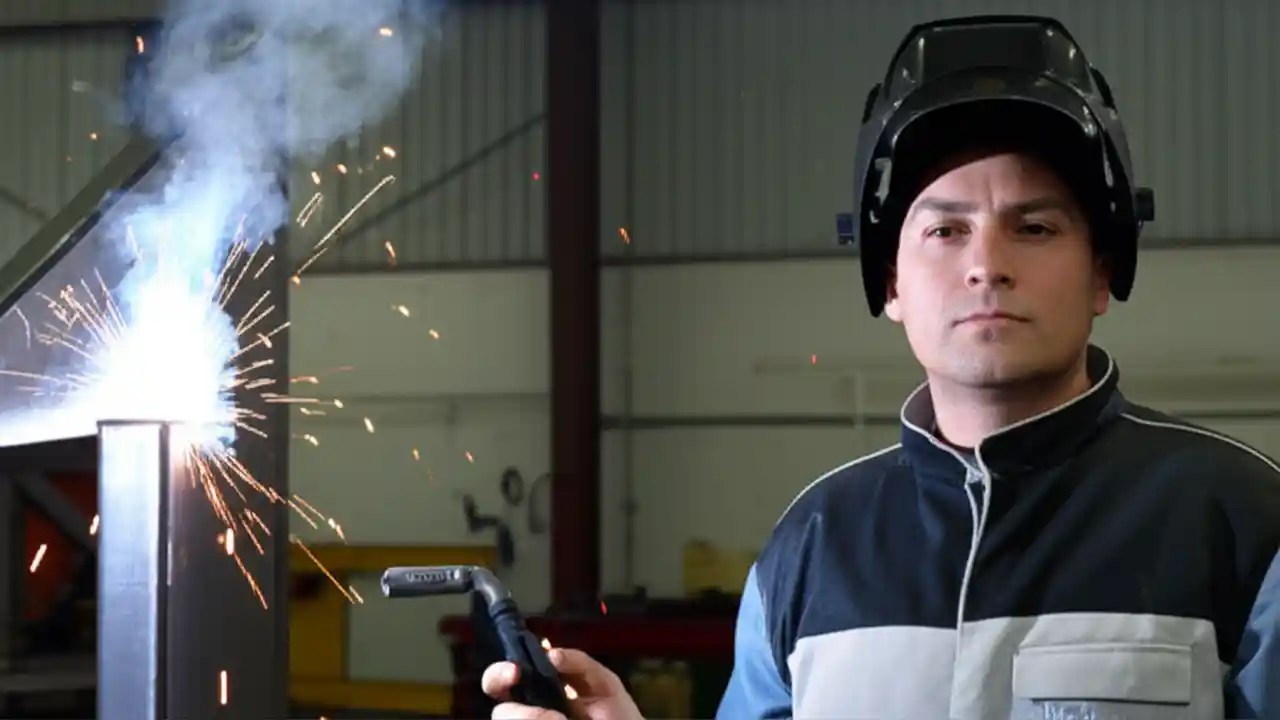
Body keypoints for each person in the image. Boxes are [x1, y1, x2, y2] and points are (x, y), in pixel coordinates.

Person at [482, 14, 1280, 719]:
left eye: (1034, 228)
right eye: (945, 231)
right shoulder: (812, 546)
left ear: (1102, 274)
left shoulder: (1241, 522)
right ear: (890, 283)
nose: (986, 265)